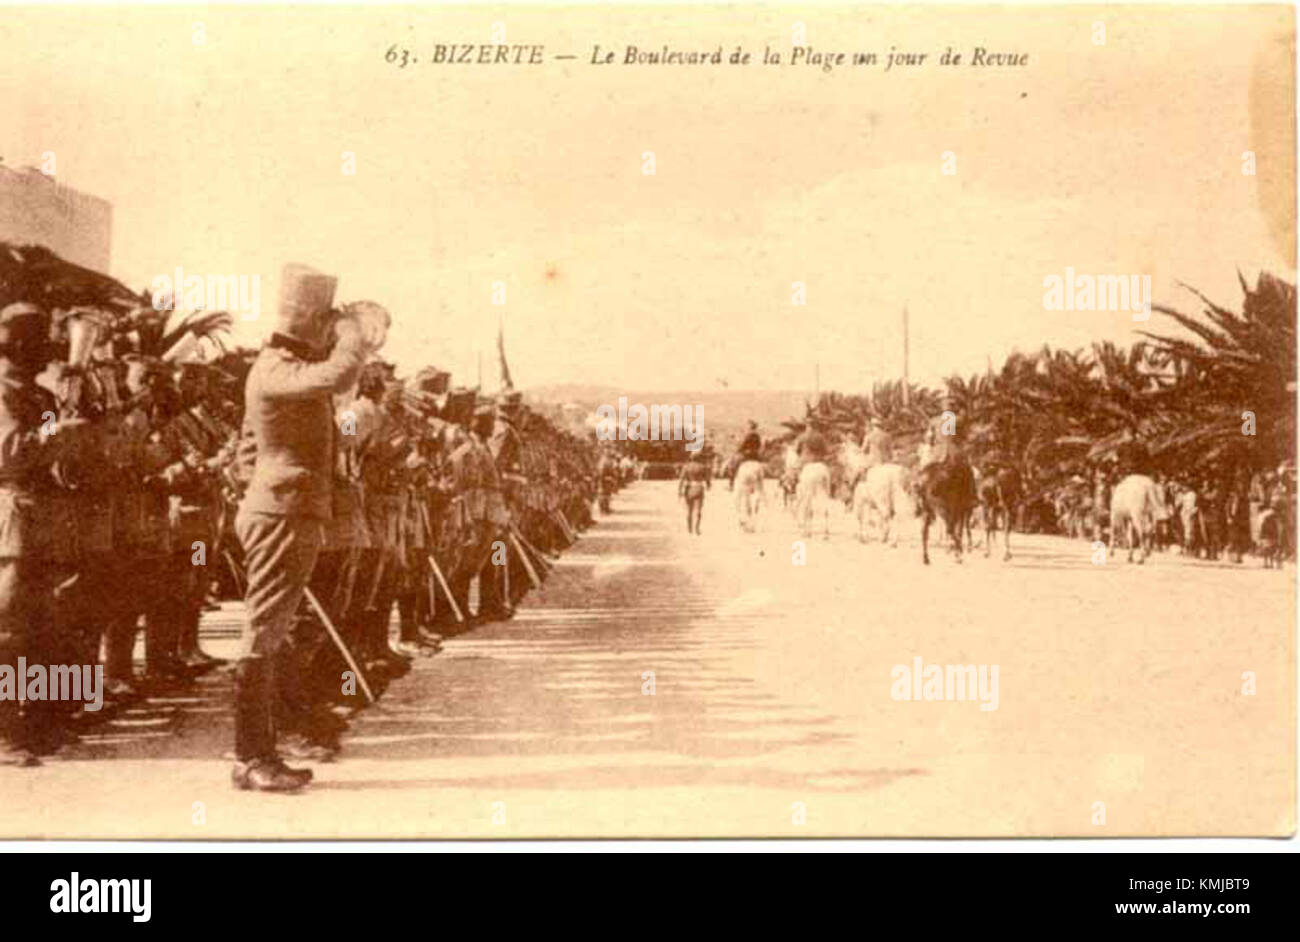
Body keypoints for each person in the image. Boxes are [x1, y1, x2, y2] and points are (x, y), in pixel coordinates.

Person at [231, 265, 384, 792]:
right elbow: (337, 375)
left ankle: (263, 748)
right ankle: (250, 757)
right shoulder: (276, 368)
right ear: (312, 322)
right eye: (326, 322)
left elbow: (332, 423)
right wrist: (351, 337)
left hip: (290, 509)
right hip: (279, 511)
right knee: (264, 632)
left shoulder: (292, 369)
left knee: (275, 631)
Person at [0, 302, 88, 766]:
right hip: (12, 515)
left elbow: (49, 439)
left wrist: (65, 430)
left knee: (41, 626)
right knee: (8, 627)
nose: (48, 352)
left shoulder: (36, 395)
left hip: (41, 517)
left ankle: (34, 724)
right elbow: (11, 453)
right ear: (15, 344)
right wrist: (58, 436)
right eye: (38, 342)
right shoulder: (2, 391)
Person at [678, 451, 710, 535]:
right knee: (698, 510)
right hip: (699, 488)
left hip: (689, 489)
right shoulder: (702, 467)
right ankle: (697, 528)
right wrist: (708, 485)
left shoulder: (686, 467)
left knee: (689, 510)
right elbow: (707, 479)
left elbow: (681, 480)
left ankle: (689, 529)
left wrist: (679, 491)